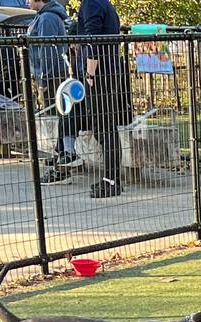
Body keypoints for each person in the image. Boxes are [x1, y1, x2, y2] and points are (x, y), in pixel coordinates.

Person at [75, 0, 131, 199]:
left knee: (105, 127)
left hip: (100, 74)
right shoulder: (102, 3)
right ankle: (111, 178)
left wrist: (90, 73)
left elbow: (93, 39)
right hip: (109, 70)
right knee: (104, 127)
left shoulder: (92, 3)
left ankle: (112, 179)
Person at [26, 0, 79, 181]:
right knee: (58, 117)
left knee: (60, 116)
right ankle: (61, 156)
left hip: (52, 75)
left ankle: (64, 164)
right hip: (51, 74)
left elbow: (46, 49)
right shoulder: (43, 17)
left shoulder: (47, 18)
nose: (26, 1)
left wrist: (44, 77)